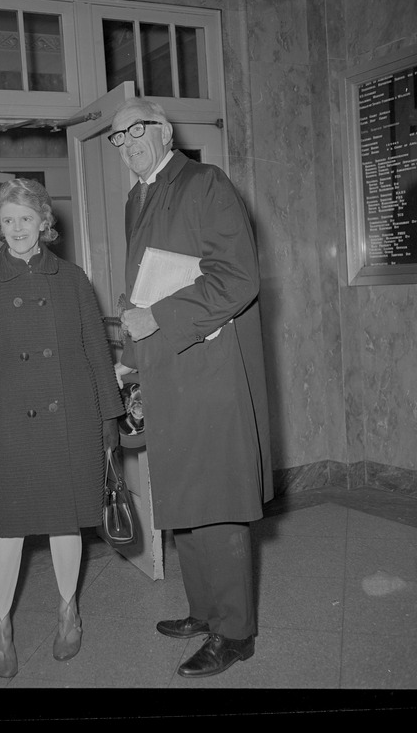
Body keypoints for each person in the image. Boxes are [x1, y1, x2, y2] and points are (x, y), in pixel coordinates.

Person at [110, 98, 273, 678]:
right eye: (117, 138)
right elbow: (144, 286)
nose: (127, 144)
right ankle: (204, 610)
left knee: (218, 500)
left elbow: (239, 278)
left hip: (210, 370)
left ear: (163, 131)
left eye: (136, 131)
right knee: (186, 496)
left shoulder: (206, 182)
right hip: (167, 368)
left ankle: (235, 632)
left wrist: (155, 320)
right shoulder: (138, 196)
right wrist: (130, 359)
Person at [0, 178, 123, 679]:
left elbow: (97, 351)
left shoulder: (72, 279)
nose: (16, 229)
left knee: (64, 521)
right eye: (7, 220)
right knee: (7, 529)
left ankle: (68, 609)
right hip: (8, 420)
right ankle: (0, 624)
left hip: (70, 417)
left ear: (43, 223)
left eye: (25, 219)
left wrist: (109, 417)